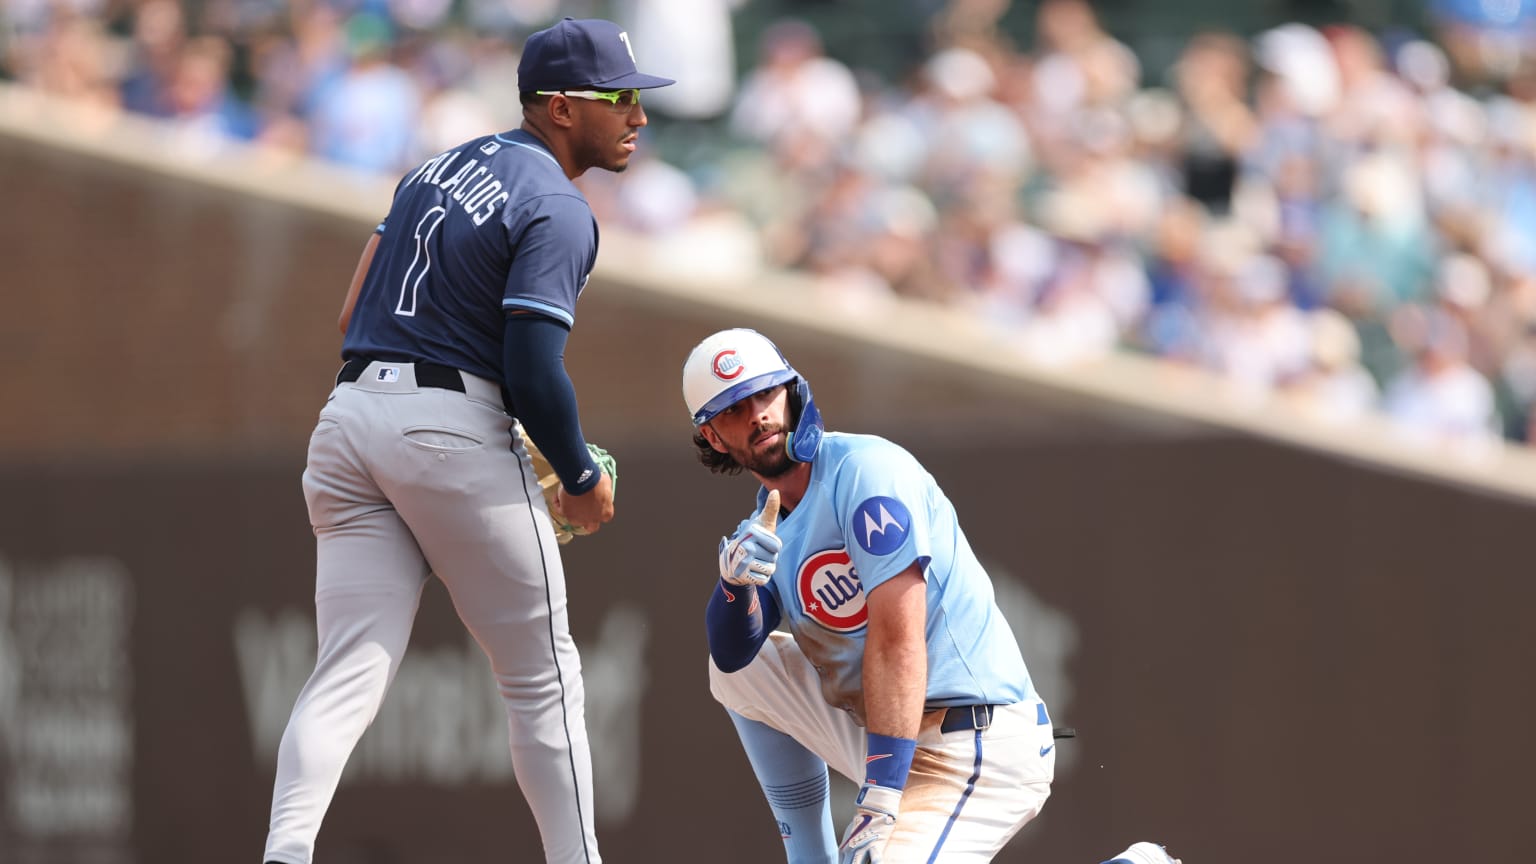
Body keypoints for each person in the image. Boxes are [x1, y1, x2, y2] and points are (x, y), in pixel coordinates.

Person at [262, 17, 672, 864]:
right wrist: (578, 469)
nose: (638, 116)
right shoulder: (558, 204)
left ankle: (287, 850)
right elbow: (531, 364)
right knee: (542, 675)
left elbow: (350, 315)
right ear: (560, 108)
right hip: (443, 426)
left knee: (344, 673)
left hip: (346, 422)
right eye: (621, 99)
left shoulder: (435, 166)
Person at [682, 327, 1058, 862]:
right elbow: (731, 656)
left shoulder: (866, 470)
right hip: (887, 732)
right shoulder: (766, 529)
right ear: (715, 438)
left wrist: (878, 802)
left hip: (976, 739)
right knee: (740, 672)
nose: (756, 415)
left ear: (791, 390)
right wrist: (733, 587)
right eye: (732, 410)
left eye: (763, 393)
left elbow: (897, 639)